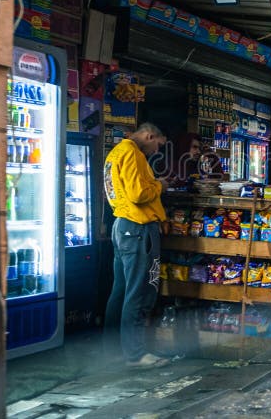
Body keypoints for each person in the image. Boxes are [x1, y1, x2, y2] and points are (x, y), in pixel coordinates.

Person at [103, 122, 169, 368]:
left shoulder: (115, 152)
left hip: (121, 225)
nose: (155, 151)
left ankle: (113, 351)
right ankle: (136, 354)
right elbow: (139, 194)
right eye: (157, 145)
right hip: (138, 228)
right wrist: (160, 185)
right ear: (150, 135)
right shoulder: (132, 153)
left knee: (120, 292)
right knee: (139, 291)